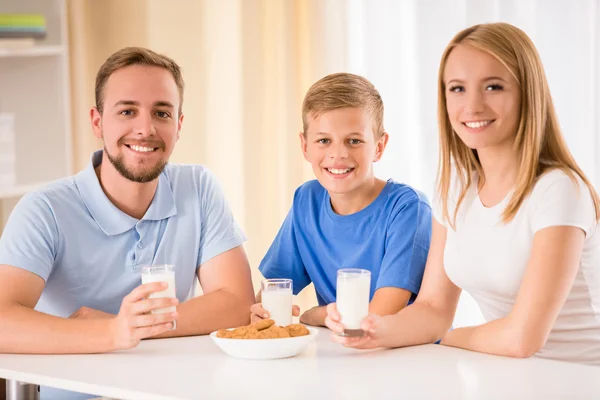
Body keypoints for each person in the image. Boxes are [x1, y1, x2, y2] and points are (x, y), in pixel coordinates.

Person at [326, 22, 600, 366]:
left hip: (581, 378)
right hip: (513, 374)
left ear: (527, 93)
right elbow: (433, 308)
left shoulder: (559, 190)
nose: (472, 105)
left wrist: (446, 338)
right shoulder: (456, 189)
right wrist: (373, 330)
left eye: (494, 86)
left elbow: (522, 338)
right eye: (457, 88)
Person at [0, 47, 255, 398]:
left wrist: (132, 327)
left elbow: (237, 303)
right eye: (127, 111)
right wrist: (113, 333)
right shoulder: (44, 210)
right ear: (97, 121)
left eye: (162, 113)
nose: (145, 129)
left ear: (178, 125)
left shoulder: (198, 188)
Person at [251, 73, 432, 327]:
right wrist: (261, 312)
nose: (338, 154)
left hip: (408, 355)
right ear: (305, 146)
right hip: (343, 352)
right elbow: (273, 290)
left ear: (379, 147)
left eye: (354, 140)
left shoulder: (407, 208)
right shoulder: (307, 201)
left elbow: (378, 316)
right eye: (324, 140)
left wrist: (316, 315)